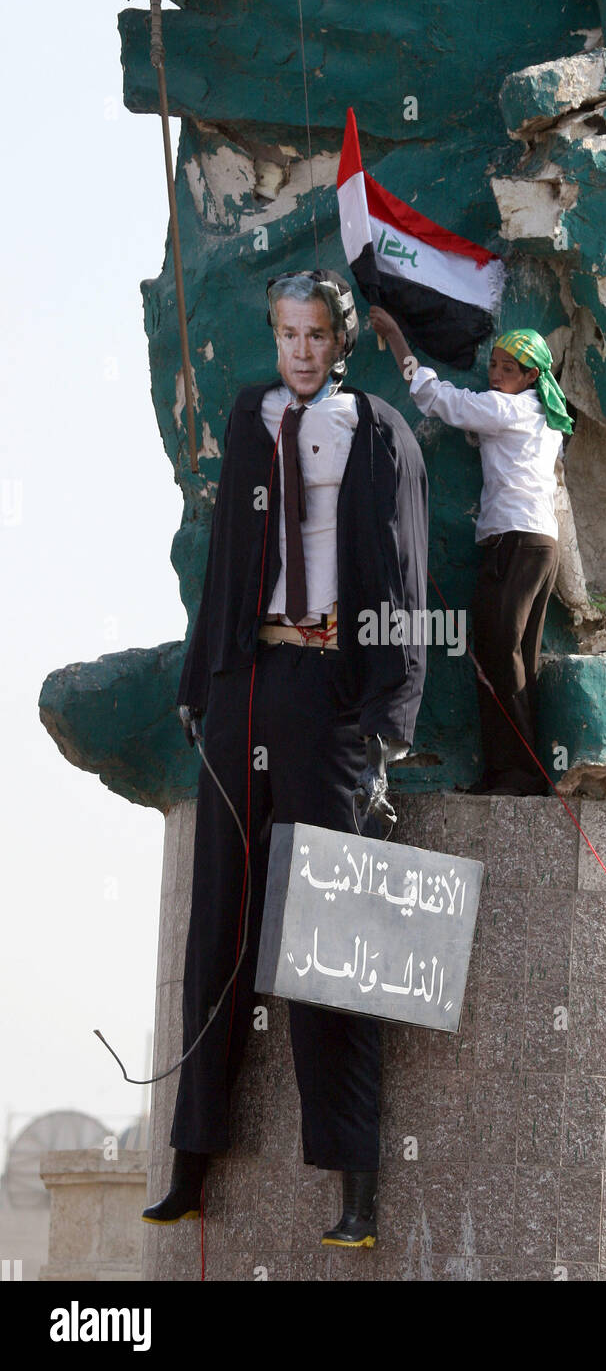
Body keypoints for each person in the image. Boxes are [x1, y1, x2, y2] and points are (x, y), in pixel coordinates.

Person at [141, 271, 428, 1249]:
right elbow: (225, 560)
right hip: (245, 684)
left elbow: (403, 565)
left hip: (326, 695)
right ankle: (186, 1163)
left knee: (332, 941)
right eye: (287, 334)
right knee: (214, 927)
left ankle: (354, 1188)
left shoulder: (378, 430)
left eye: (315, 335)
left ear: (339, 339)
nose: (300, 350)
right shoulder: (250, 416)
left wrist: (389, 709)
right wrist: (200, 682)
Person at [370, 306, 574, 796]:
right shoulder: (542, 417)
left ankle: (515, 772)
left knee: (496, 655)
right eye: (494, 367)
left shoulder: (509, 409)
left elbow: (436, 398)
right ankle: (522, 769)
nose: (497, 375)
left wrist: (398, 338)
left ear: (531, 376)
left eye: (508, 369)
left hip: (515, 543)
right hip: (540, 545)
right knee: (517, 656)